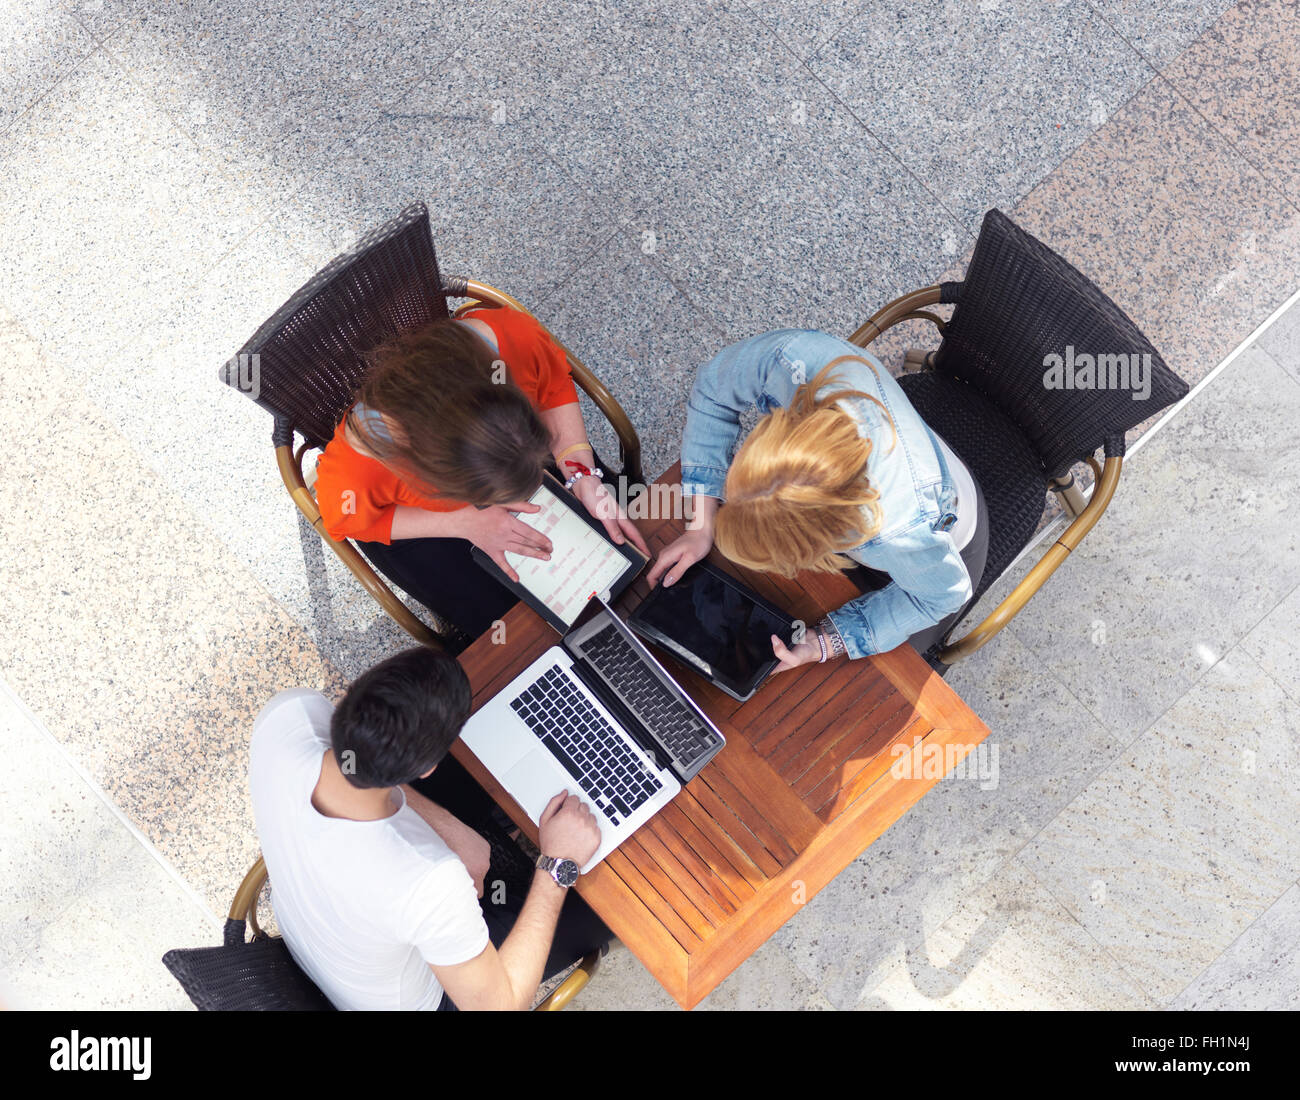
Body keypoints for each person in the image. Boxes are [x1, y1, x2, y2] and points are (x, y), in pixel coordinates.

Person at [249, 646, 610, 1011]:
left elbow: (361, 765)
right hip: (426, 1000)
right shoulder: (430, 882)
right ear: (428, 769)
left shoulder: (290, 714)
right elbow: (500, 1007)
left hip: (322, 937)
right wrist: (557, 864)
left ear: (352, 691)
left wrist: (451, 829)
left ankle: (501, 830)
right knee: (603, 909)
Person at [647, 330, 989, 669]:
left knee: (878, 677)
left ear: (821, 543)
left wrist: (824, 642)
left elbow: (940, 596)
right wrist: (701, 524)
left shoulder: (902, 530)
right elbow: (714, 389)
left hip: (940, 550)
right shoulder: (795, 359)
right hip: (898, 485)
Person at [313, 309, 648, 642]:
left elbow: (553, 384)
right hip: (423, 524)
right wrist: (460, 522)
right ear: (438, 481)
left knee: (630, 546)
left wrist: (581, 473)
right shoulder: (361, 467)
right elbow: (344, 520)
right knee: (513, 631)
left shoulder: (514, 337)